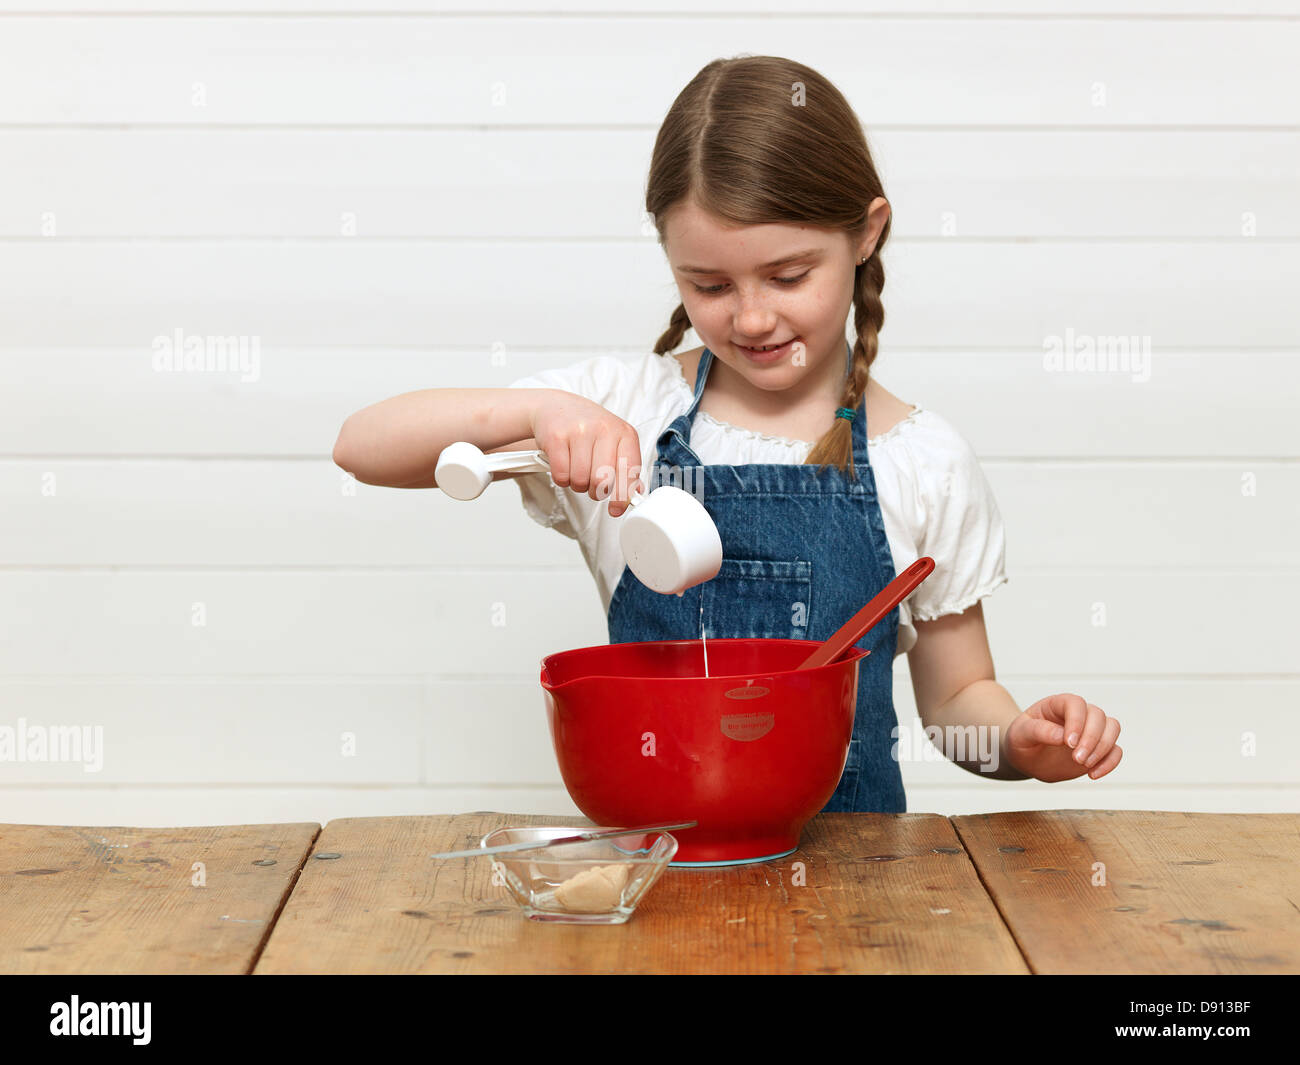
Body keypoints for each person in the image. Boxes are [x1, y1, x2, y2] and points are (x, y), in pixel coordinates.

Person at [333, 55, 1123, 811]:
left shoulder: (924, 462)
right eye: (708, 284)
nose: (750, 317)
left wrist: (1018, 745)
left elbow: (957, 698)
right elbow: (362, 445)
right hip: (657, 881)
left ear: (867, 233)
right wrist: (534, 416)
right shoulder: (625, 411)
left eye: (787, 276)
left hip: (860, 900)